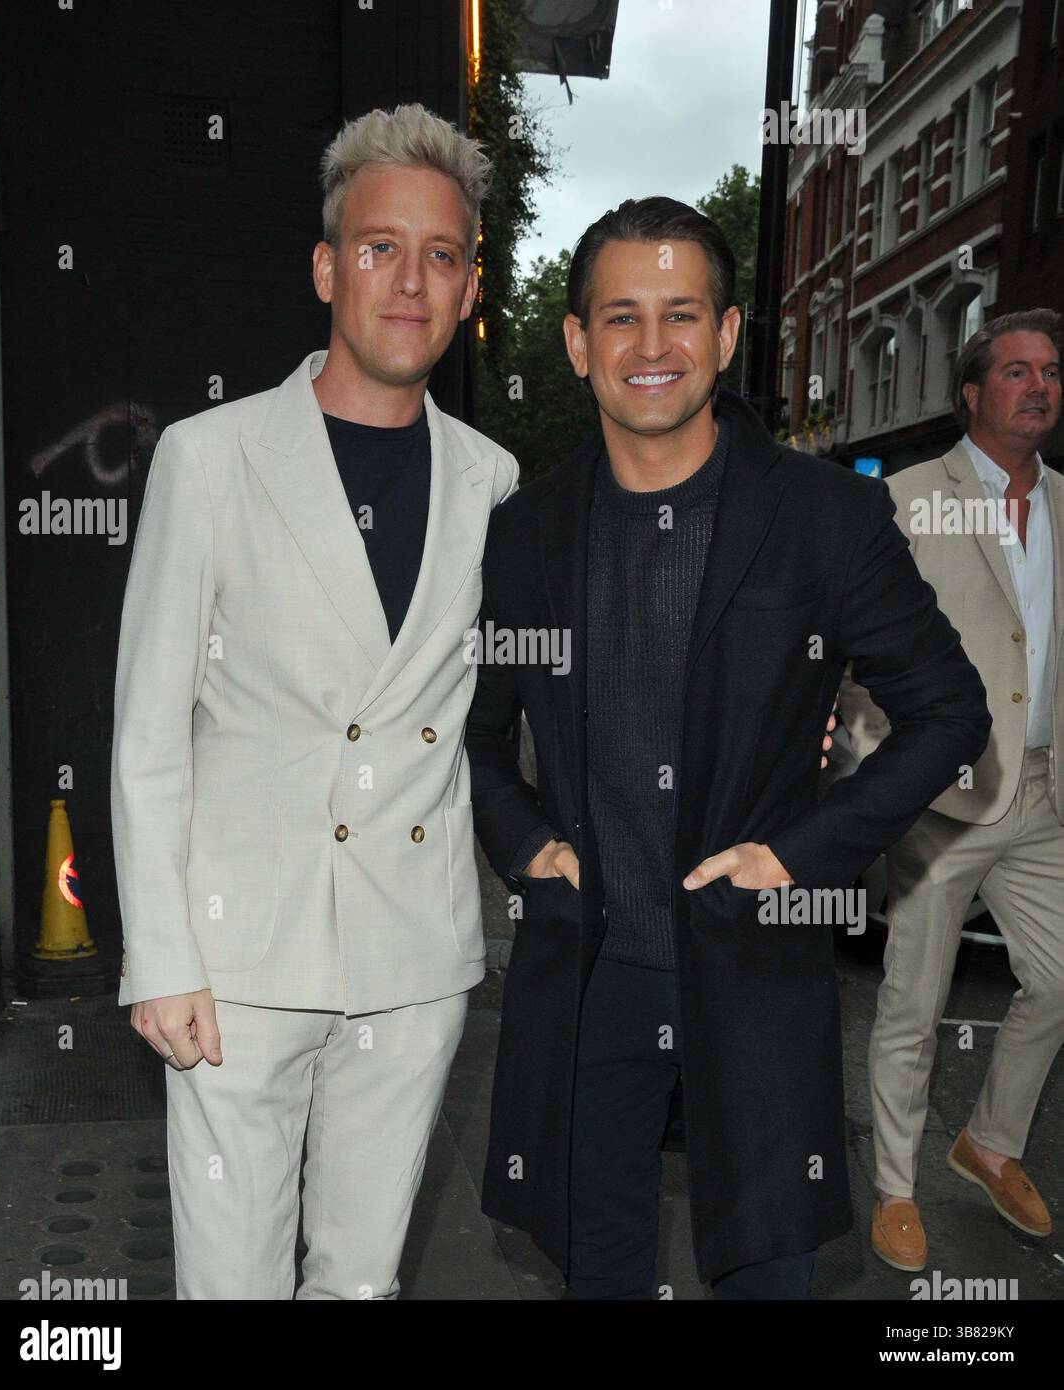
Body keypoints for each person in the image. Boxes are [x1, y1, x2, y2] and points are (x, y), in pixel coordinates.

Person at [465, 196, 992, 1300]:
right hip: (587, 984)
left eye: (679, 314)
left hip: (751, 975)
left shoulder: (817, 519)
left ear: (726, 333)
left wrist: (796, 856)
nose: (650, 347)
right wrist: (527, 846)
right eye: (619, 317)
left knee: (764, 1276)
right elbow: (476, 738)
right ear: (575, 343)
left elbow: (948, 711)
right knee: (593, 1274)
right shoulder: (524, 531)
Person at [111, 103, 519, 1299]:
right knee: (229, 1281)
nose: (409, 280)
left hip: (411, 953)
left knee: (358, 1284)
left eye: (440, 255)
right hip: (233, 962)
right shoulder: (211, 455)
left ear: (468, 284)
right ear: (326, 266)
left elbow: (547, 680)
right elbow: (147, 728)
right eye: (380, 247)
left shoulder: (491, 483)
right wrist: (162, 956)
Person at [839, 309, 1064, 1273]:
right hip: (944, 793)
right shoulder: (907, 499)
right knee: (912, 1004)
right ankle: (895, 1186)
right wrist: (876, 772)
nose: (1039, 386)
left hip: (1047, 794)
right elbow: (855, 659)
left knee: (1058, 980)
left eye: (1052, 371)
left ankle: (990, 1144)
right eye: (1016, 371)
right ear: (972, 393)